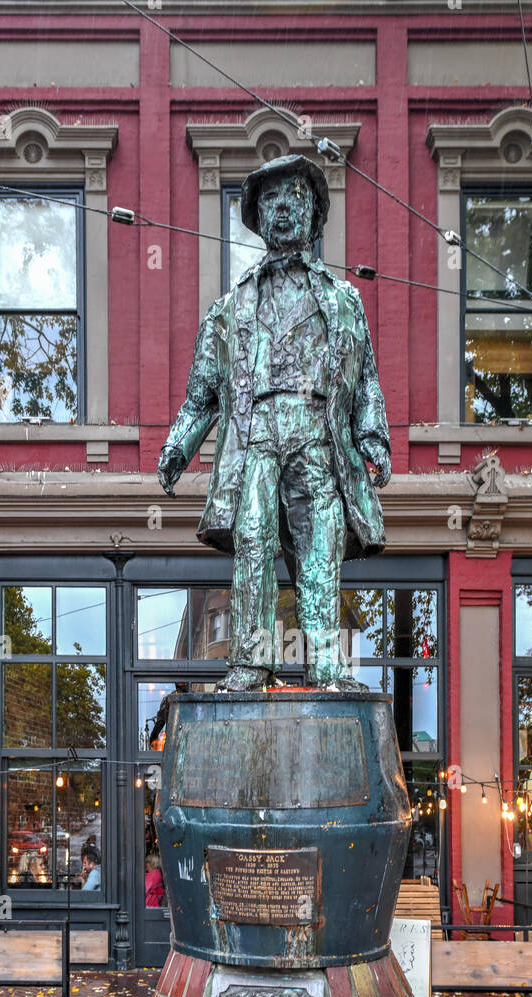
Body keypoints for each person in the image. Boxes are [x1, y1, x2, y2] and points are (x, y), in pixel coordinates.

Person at [158, 154, 391, 692]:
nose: (283, 208)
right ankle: (249, 665)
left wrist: (373, 438)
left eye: (295, 197)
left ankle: (329, 671)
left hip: (318, 439)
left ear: (315, 213)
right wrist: (177, 448)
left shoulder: (344, 302)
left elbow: (366, 385)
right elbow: (202, 395)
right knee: (255, 547)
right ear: (258, 217)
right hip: (257, 438)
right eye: (270, 199)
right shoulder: (229, 309)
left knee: (319, 555)